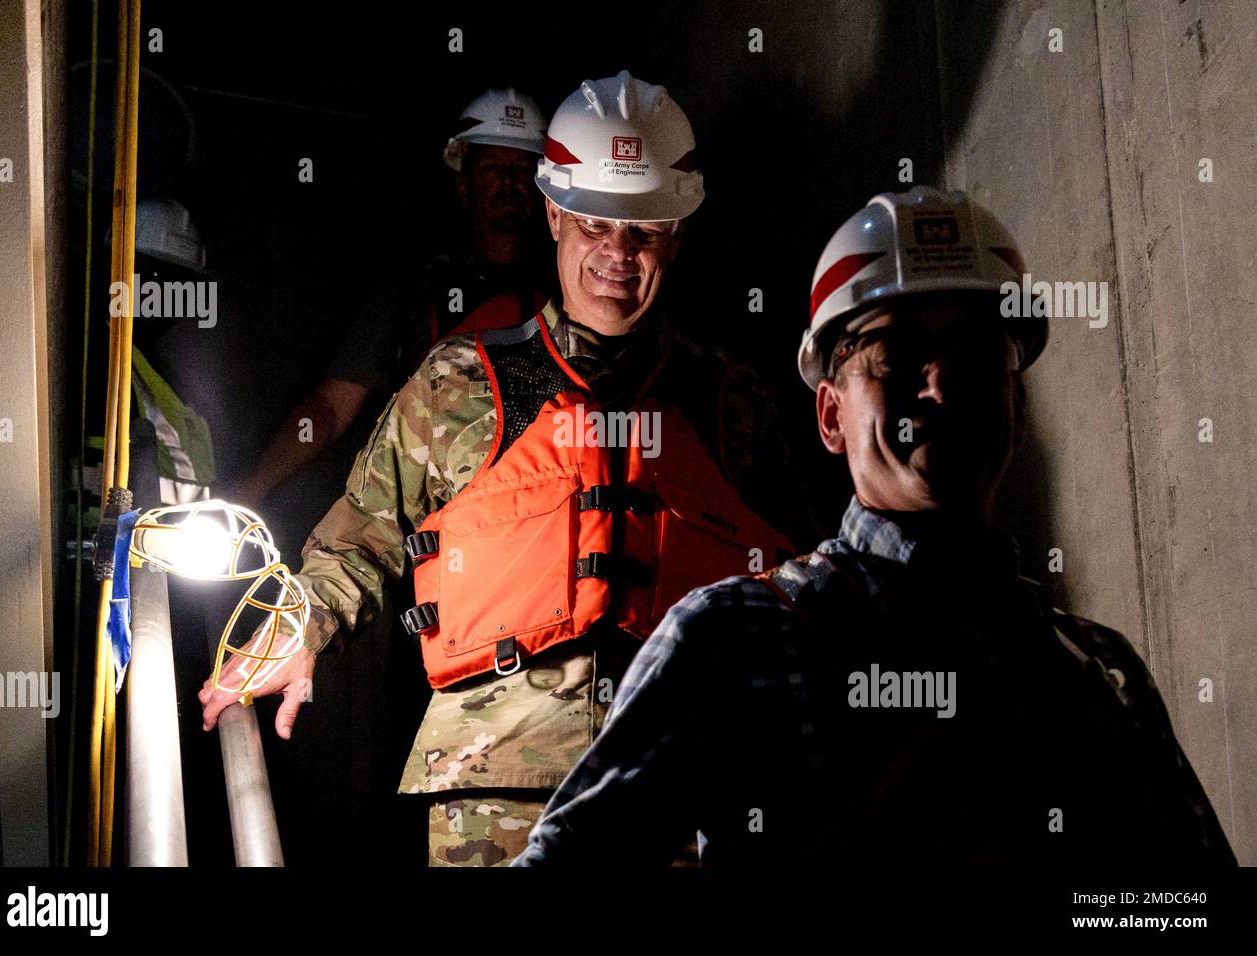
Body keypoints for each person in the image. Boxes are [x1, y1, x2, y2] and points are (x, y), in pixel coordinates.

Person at [510, 186, 1237, 866]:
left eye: (977, 355)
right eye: (898, 354)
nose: (942, 387)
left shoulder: (1098, 669)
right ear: (830, 416)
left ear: (1013, 401)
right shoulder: (734, 639)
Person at [200, 71, 814, 866]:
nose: (616, 255)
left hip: (686, 790)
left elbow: (804, 585)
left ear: (679, 232)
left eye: (644, 229)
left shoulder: (732, 403)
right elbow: (363, 538)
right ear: (554, 213)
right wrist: (299, 630)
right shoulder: (459, 383)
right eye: (593, 222)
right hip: (493, 794)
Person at [229, 88, 553, 509]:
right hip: (437, 517)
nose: (508, 184)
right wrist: (248, 490)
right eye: (492, 168)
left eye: (522, 169)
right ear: (464, 186)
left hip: (540, 505)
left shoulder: (571, 291)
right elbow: (332, 407)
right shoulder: (418, 289)